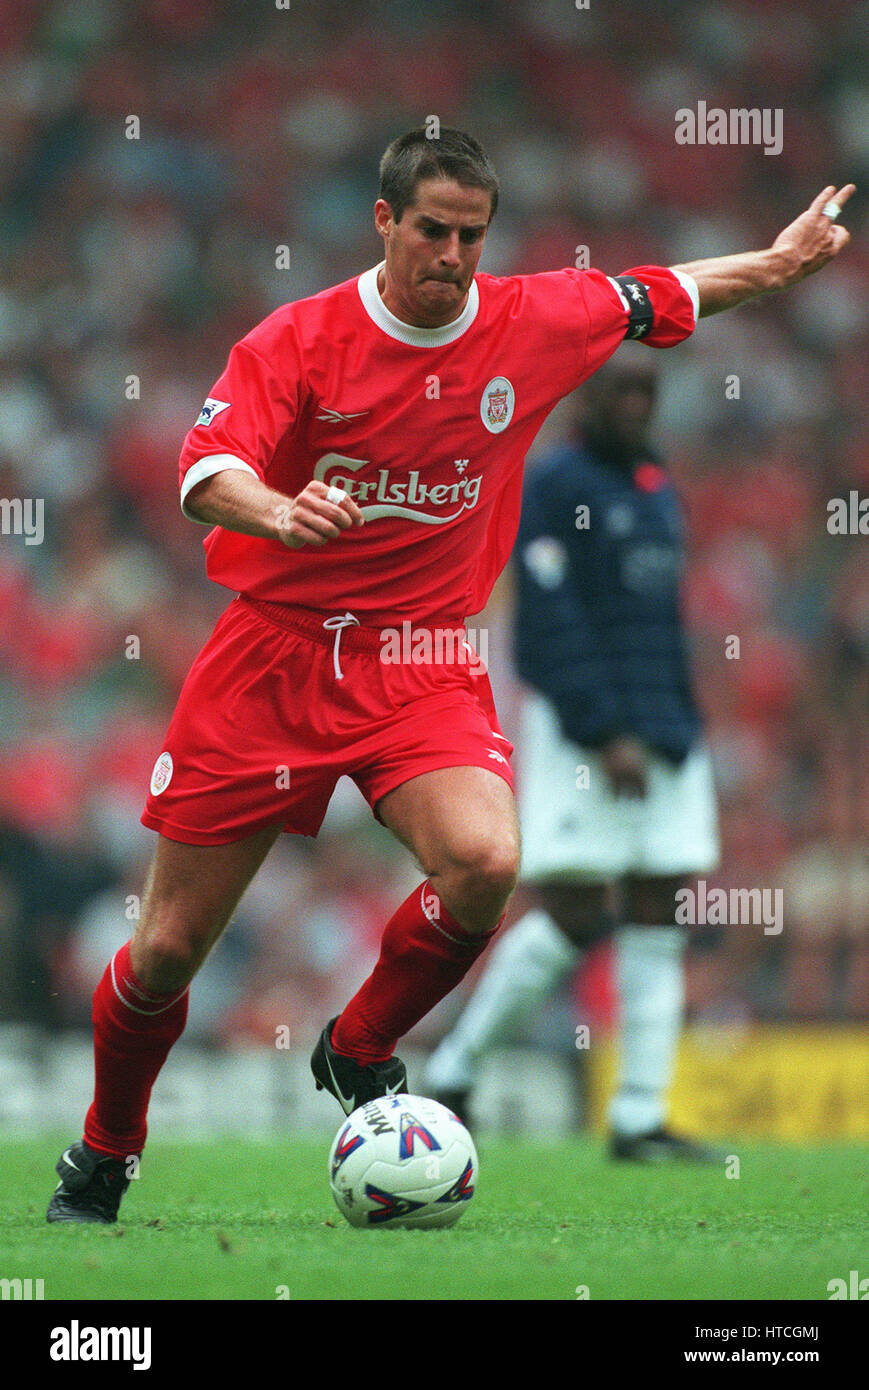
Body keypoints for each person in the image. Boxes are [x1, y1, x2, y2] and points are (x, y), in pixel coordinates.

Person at [45, 125, 852, 1222]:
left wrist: (780, 259)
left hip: (418, 657)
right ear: (384, 222)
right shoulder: (301, 338)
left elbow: (660, 291)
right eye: (433, 230)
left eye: (473, 234)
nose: (454, 254)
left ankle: (359, 1042)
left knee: (484, 859)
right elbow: (208, 466)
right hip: (271, 655)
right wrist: (278, 510)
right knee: (166, 954)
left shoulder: (527, 318)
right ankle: (105, 1150)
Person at [425, 348, 721, 1161]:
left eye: (647, 390)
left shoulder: (656, 485)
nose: (635, 403)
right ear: (583, 397)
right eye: (620, 389)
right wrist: (603, 731)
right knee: (576, 913)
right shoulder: (555, 487)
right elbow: (548, 627)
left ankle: (637, 1117)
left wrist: (674, 723)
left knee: (662, 908)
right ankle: (455, 1069)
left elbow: (656, 625)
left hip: (667, 727)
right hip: (586, 734)